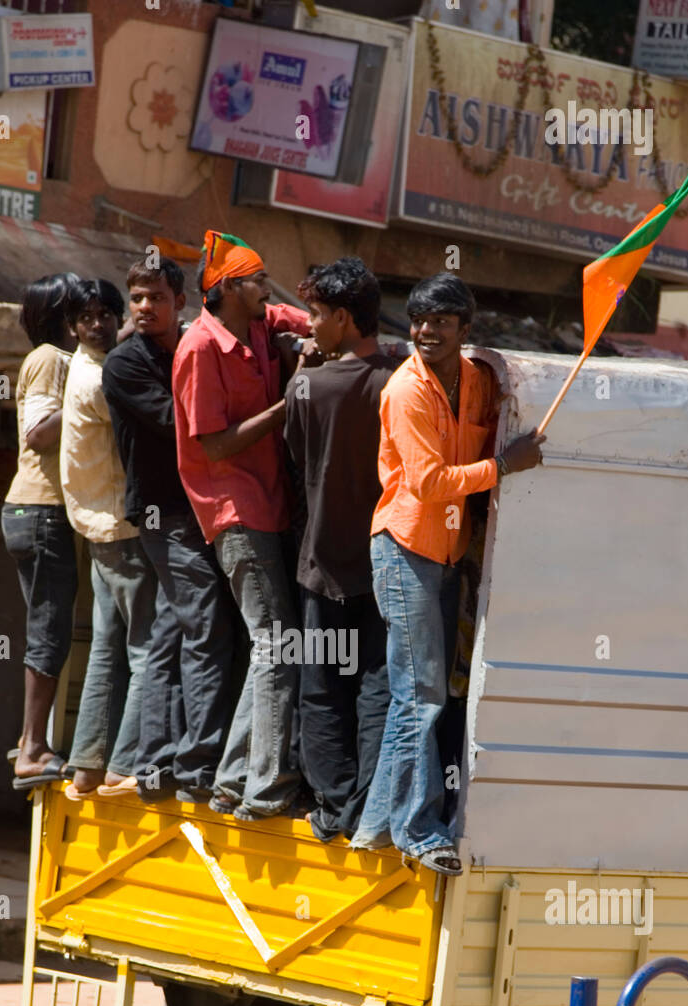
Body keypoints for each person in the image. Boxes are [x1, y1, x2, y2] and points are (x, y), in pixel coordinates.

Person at [351, 273, 544, 874]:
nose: (425, 332)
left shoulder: (477, 379)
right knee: (422, 694)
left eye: (439, 322)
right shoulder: (407, 390)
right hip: (406, 546)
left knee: (418, 693)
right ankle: (418, 830)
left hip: (444, 554)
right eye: (418, 321)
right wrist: (502, 467)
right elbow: (431, 484)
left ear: (465, 330)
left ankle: (376, 827)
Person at [172, 230, 310, 821]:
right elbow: (215, 443)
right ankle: (265, 790)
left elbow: (307, 319)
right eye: (257, 279)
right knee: (276, 647)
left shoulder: (257, 319)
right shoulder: (199, 349)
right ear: (227, 288)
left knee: (270, 648)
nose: (266, 288)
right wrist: (287, 405)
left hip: (269, 502)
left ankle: (231, 782)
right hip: (232, 509)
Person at [102, 254, 237, 803]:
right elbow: (182, 426)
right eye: (136, 298)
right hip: (165, 513)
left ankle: (153, 762)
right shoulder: (125, 362)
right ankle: (192, 762)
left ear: (180, 301)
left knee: (170, 631)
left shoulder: (188, 347)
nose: (143, 308)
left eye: (155, 297)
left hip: (198, 509)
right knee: (203, 626)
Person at [284, 257, 397, 842]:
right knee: (378, 684)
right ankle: (366, 809)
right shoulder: (402, 378)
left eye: (318, 314)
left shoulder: (307, 385)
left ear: (345, 318)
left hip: (323, 565)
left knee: (324, 688)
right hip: (390, 561)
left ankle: (333, 809)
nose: (309, 325)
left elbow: (298, 459)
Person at [59, 277, 162, 800]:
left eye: (107, 315)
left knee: (107, 647)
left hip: (102, 527)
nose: (98, 325)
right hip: (121, 528)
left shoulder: (86, 365)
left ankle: (87, 767)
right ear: (72, 326)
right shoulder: (99, 378)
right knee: (145, 646)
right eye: (87, 318)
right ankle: (124, 766)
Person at [2, 272, 80, 791]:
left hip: (31, 511)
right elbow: (37, 432)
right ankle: (32, 748)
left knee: (44, 628)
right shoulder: (52, 359)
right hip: (42, 512)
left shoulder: (53, 359)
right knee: (50, 631)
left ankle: (29, 739)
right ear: (62, 315)